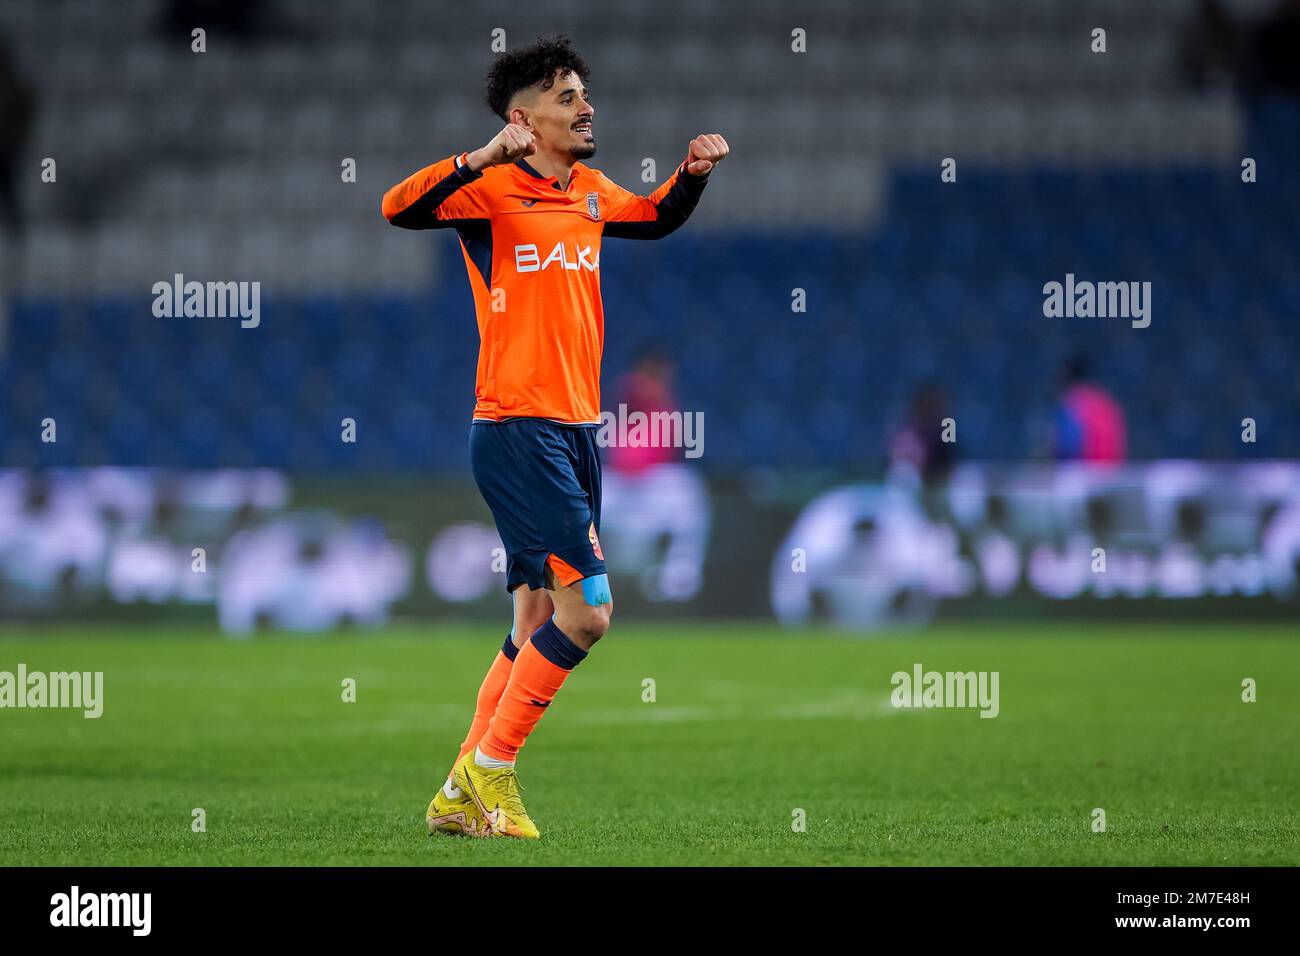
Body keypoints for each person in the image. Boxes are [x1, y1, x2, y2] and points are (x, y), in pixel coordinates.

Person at [382, 34, 727, 839]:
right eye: (568, 97)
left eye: (584, 94)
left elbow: (655, 216)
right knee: (591, 613)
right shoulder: (492, 190)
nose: (587, 107)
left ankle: (454, 797)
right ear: (523, 118)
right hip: (516, 424)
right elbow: (397, 207)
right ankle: (492, 771)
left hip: (575, 430)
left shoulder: (593, 192)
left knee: (534, 617)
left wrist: (693, 176)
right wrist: (475, 158)